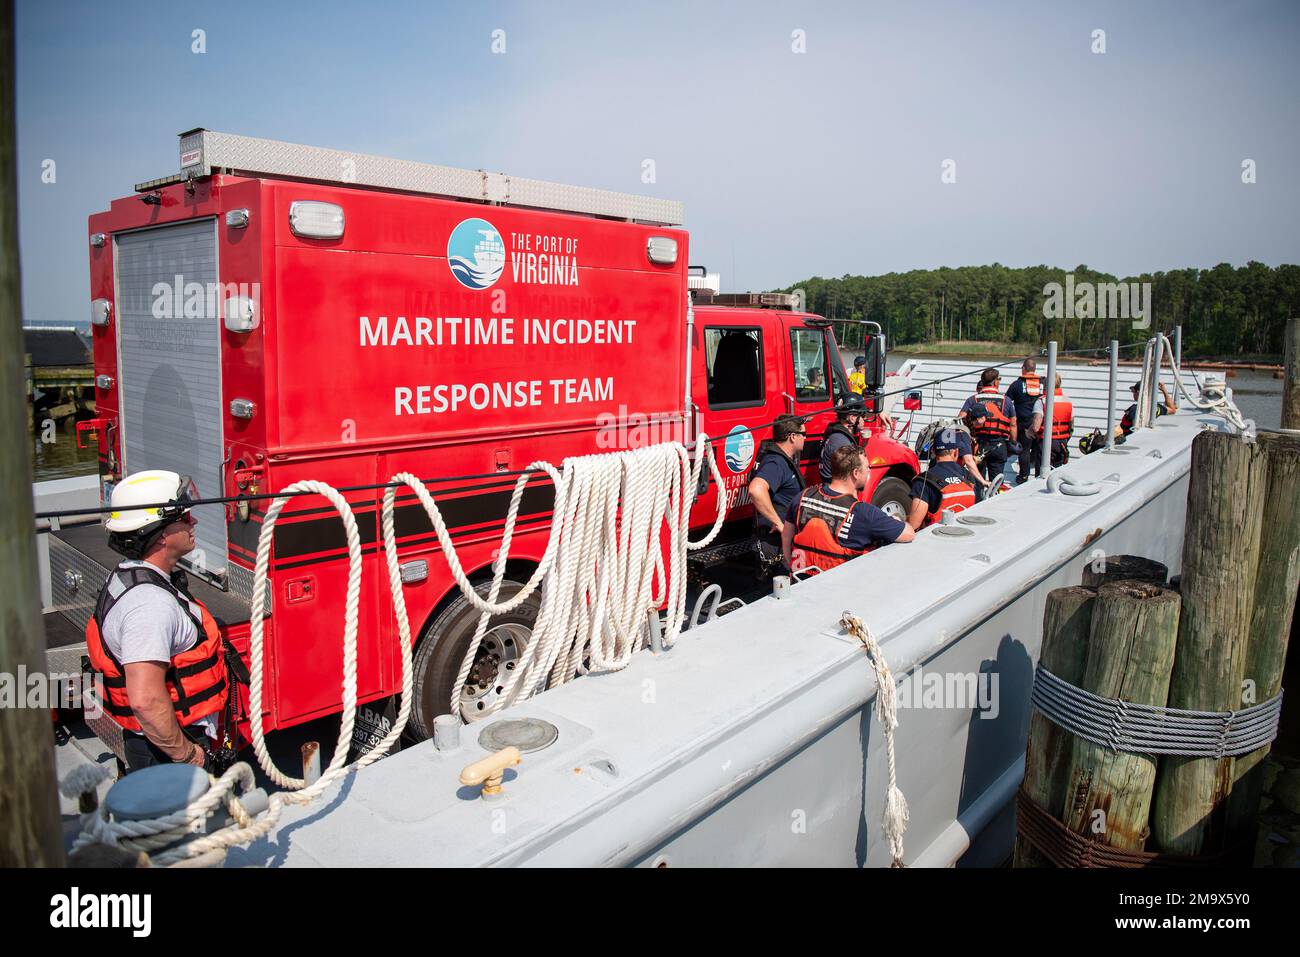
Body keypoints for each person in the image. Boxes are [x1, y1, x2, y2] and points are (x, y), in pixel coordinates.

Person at [85, 470, 229, 773]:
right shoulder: (150, 606)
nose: (195, 523)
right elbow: (147, 700)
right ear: (161, 533)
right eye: (186, 518)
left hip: (159, 749)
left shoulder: (128, 575)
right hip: (167, 756)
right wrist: (190, 755)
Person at [784, 444, 915, 571]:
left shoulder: (802, 497)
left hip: (799, 583)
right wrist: (896, 519)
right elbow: (909, 534)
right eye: (867, 467)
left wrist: (792, 570)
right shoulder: (864, 513)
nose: (869, 470)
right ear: (856, 473)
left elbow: (786, 537)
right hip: (838, 589)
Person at [747, 415, 807, 577]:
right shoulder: (776, 462)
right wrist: (780, 525)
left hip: (781, 541)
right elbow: (756, 490)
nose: (805, 438)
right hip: (774, 543)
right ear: (792, 437)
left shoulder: (782, 459)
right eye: (803, 434)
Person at [907, 432, 978, 529]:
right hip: (965, 535)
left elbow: (913, 524)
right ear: (956, 452)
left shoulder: (924, 481)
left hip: (936, 539)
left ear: (933, 451)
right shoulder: (969, 477)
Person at [959, 368, 1017, 486]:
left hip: (977, 445)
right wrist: (1012, 443)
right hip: (999, 445)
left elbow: (960, 419)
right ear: (995, 382)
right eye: (999, 379)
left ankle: (979, 502)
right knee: (997, 482)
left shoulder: (973, 399)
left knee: (977, 481)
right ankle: (995, 503)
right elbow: (1013, 424)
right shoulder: (1007, 401)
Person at [1005, 358, 1042, 484]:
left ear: (1023, 369)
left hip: (1023, 423)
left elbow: (1007, 402)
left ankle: (1024, 476)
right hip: (1041, 422)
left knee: (1024, 450)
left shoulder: (1016, 384)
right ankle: (1040, 475)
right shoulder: (1043, 383)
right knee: (1040, 450)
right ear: (1034, 369)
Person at [1028, 372, 1075, 470]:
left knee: (1042, 474)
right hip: (1062, 443)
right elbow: (1071, 426)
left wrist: (1028, 432)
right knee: (1056, 473)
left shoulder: (1042, 401)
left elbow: (1036, 427)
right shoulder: (1068, 401)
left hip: (1046, 443)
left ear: (1046, 384)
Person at [819, 392, 867, 482]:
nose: (864, 420)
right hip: (837, 491)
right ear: (852, 418)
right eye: (862, 416)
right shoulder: (842, 443)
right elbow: (852, 478)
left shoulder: (836, 435)